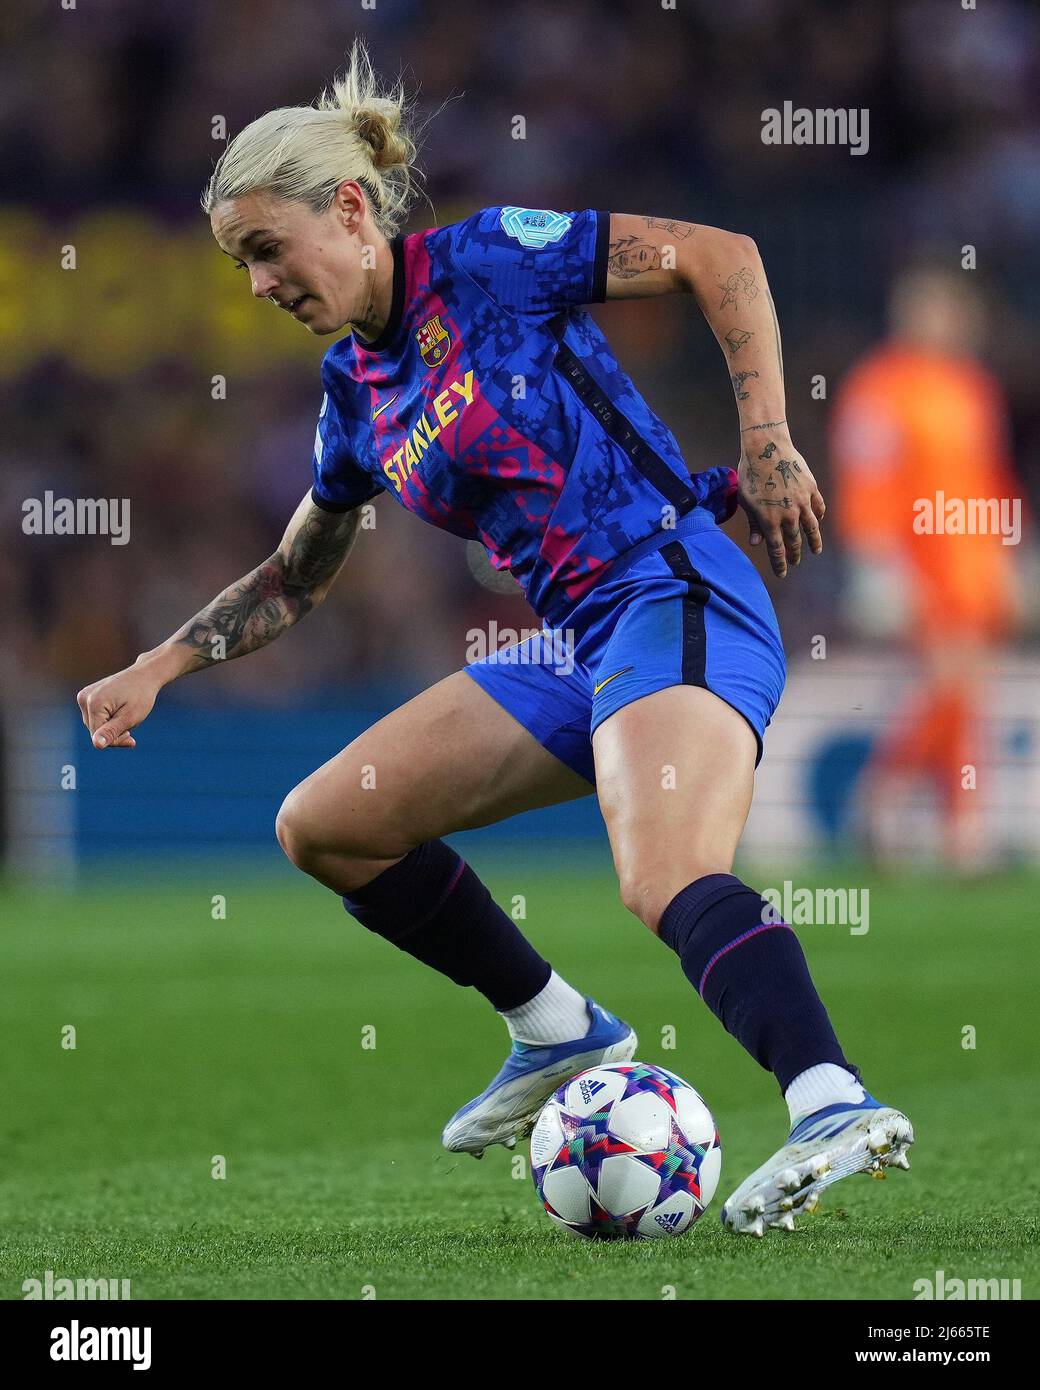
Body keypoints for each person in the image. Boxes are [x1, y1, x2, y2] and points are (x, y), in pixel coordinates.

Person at [76, 41, 912, 1237]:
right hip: (577, 643)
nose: (256, 284)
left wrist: (768, 436)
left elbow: (717, 254)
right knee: (329, 824)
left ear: (350, 209)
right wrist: (159, 665)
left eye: (265, 250)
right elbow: (299, 567)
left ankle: (832, 1102)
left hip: (670, 586)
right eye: (238, 263)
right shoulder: (355, 392)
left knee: (662, 872)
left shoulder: (486, 260)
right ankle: (556, 1029)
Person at [831, 264, 1024, 870]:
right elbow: (867, 479)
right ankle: (890, 801)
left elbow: (992, 482)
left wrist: (1010, 557)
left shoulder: (973, 386)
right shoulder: (880, 387)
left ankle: (956, 833)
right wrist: (877, 563)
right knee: (950, 684)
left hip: (975, 565)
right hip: (921, 563)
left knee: (967, 696)